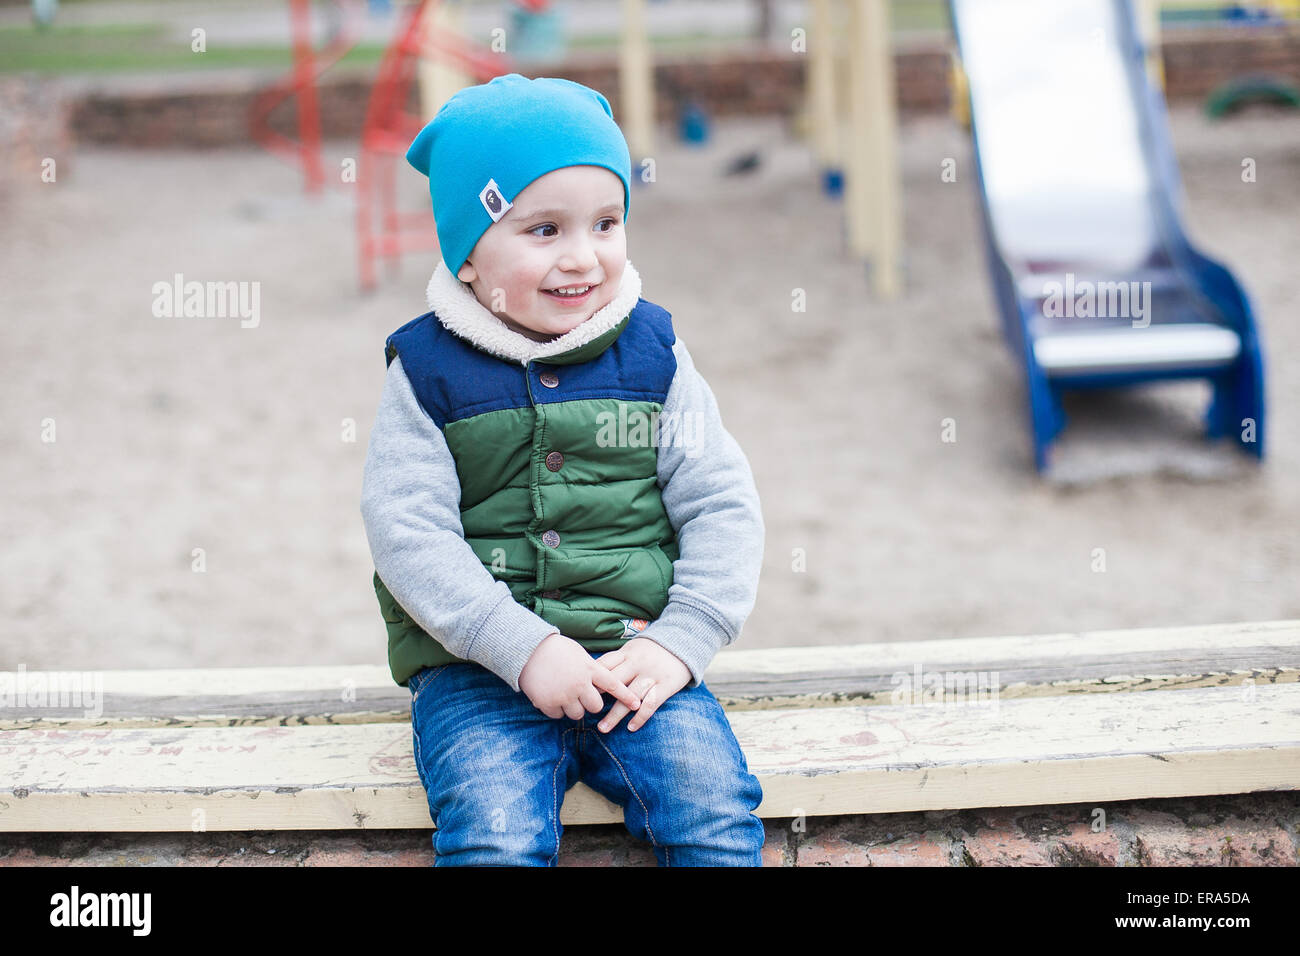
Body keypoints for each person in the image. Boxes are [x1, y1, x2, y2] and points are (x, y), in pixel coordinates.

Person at [359, 73, 766, 866]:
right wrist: (519, 647)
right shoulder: (428, 371)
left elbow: (721, 503)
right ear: (468, 256)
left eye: (606, 224)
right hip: (482, 675)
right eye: (543, 230)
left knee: (713, 809)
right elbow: (408, 532)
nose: (583, 257)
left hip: (636, 655)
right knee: (493, 833)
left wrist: (682, 642)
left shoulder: (653, 355)